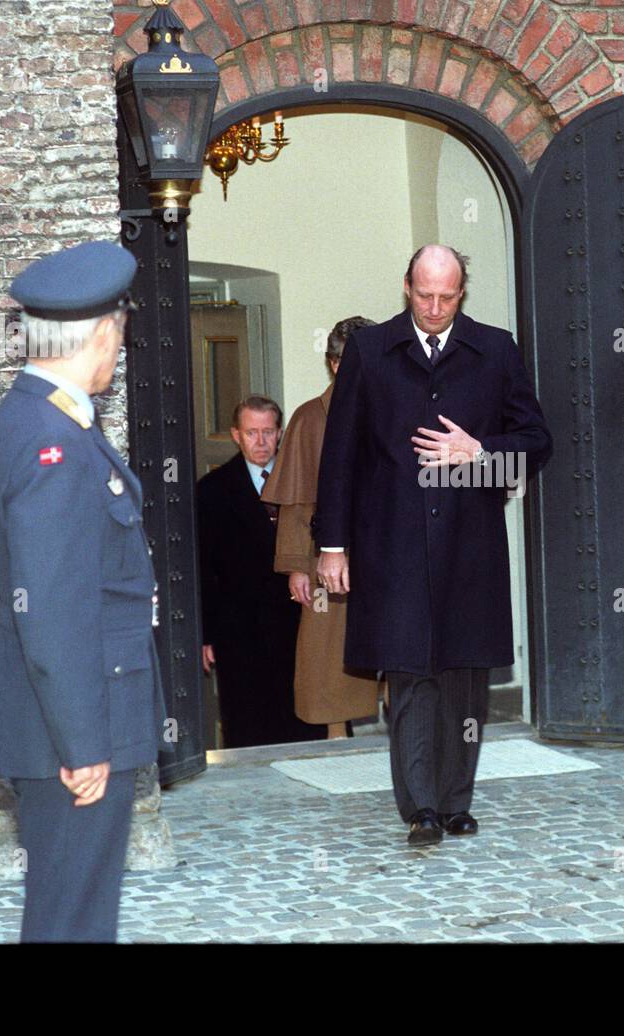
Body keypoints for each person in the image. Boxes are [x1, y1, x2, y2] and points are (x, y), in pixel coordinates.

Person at [314, 244, 552, 845]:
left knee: (464, 675)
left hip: (469, 544)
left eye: (448, 297)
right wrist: (332, 545)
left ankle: (455, 801)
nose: (436, 307)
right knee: (411, 672)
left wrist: (480, 453)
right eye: (425, 296)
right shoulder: (370, 352)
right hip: (391, 543)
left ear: (462, 293)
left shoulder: (495, 349)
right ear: (406, 288)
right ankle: (419, 805)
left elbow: (537, 440)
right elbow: (339, 456)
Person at [0, 239, 170, 942]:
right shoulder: (49, 439)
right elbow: (52, 610)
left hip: (69, 716)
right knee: (72, 920)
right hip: (74, 727)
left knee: (73, 912)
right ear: (101, 333)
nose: (120, 347)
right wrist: (84, 744)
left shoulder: (42, 419)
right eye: (119, 332)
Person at [262, 317, 382, 739]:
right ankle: (336, 736)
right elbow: (295, 500)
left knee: (400, 645)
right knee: (329, 654)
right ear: (333, 364)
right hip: (330, 556)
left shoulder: (401, 408)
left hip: (389, 551)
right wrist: (296, 565)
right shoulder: (310, 419)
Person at [196, 396, 327, 747]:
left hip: (296, 623)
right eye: (252, 432)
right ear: (236, 435)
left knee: (302, 726)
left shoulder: (306, 483)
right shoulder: (212, 491)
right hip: (240, 631)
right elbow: (204, 570)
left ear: (280, 433)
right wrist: (205, 634)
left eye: (268, 432)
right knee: (248, 728)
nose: (261, 441)